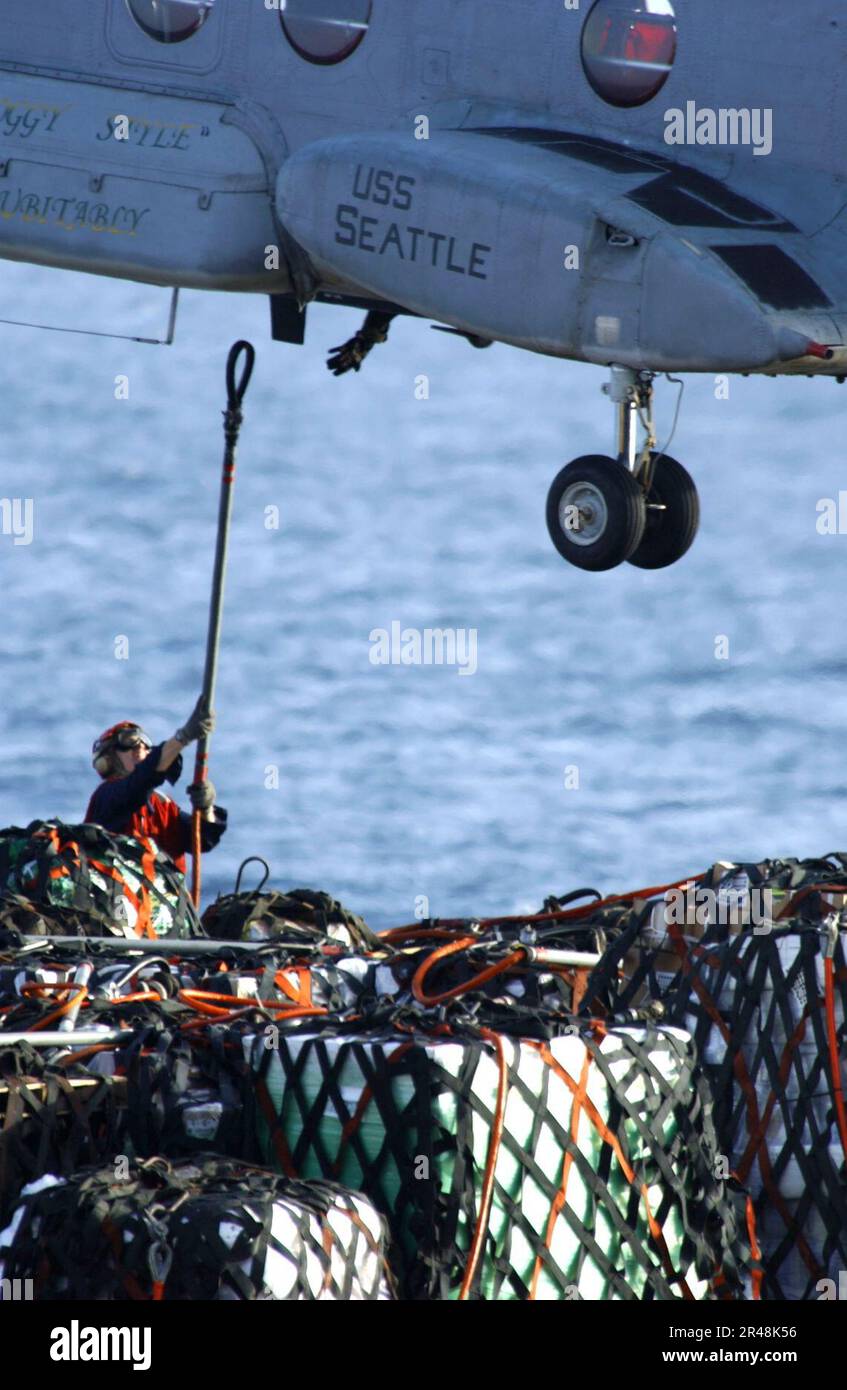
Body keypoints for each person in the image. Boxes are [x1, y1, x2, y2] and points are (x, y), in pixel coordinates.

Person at [85, 695, 226, 874]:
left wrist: (206, 808)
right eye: (130, 743)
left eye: (145, 745)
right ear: (109, 758)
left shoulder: (163, 806)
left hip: (164, 901)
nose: (139, 749)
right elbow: (138, 784)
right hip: (118, 900)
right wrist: (184, 736)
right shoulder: (106, 797)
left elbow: (202, 840)